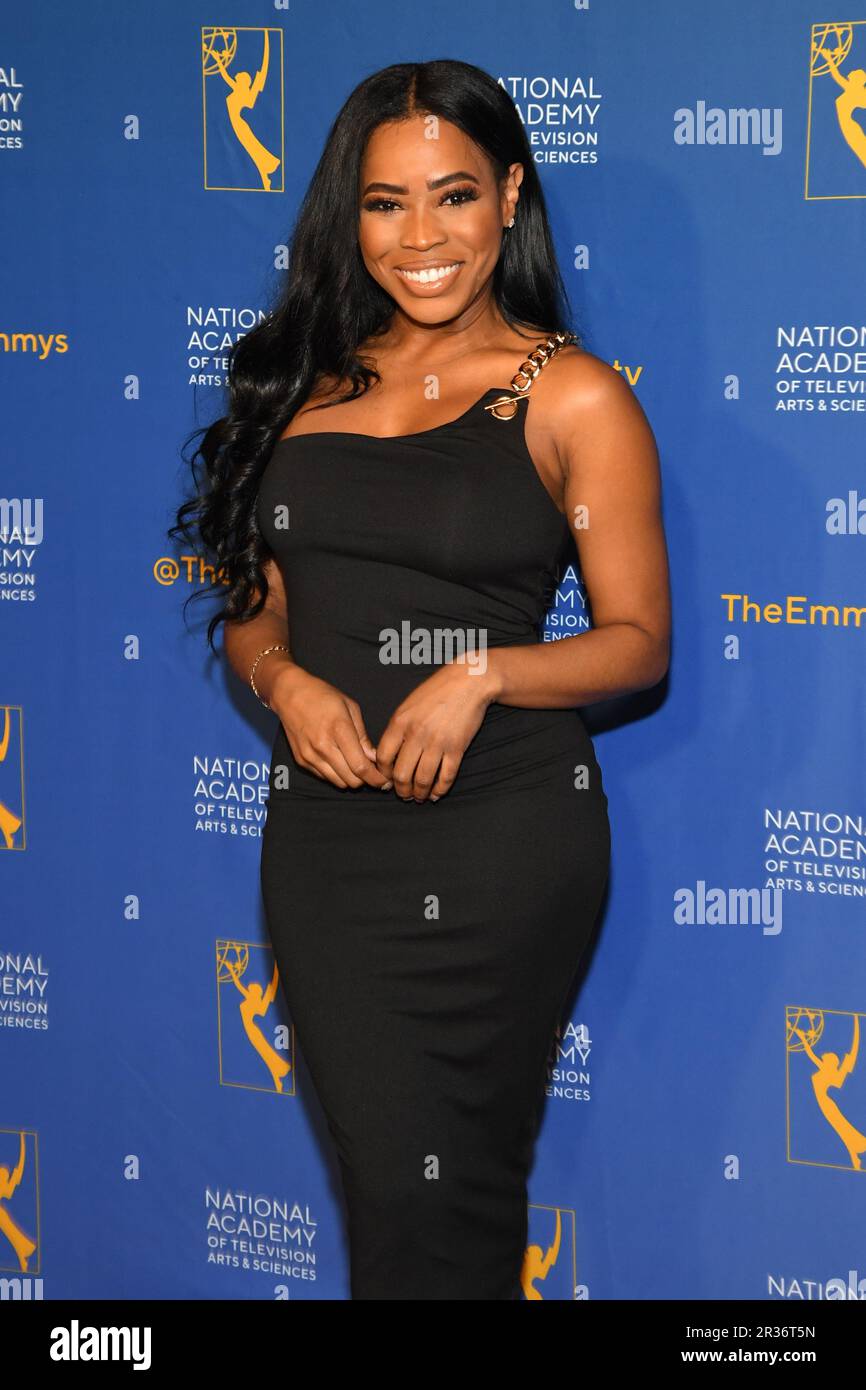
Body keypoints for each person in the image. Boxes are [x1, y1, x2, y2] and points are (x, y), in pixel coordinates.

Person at [170, 58, 670, 1300]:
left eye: (452, 196)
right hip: (329, 846)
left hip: (501, 836)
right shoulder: (302, 381)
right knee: (390, 1191)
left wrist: (484, 673)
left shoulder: (570, 397)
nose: (421, 237)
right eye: (384, 203)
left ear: (509, 195)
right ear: (349, 217)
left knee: (445, 1189)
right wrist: (282, 683)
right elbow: (252, 606)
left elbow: (637, 642)